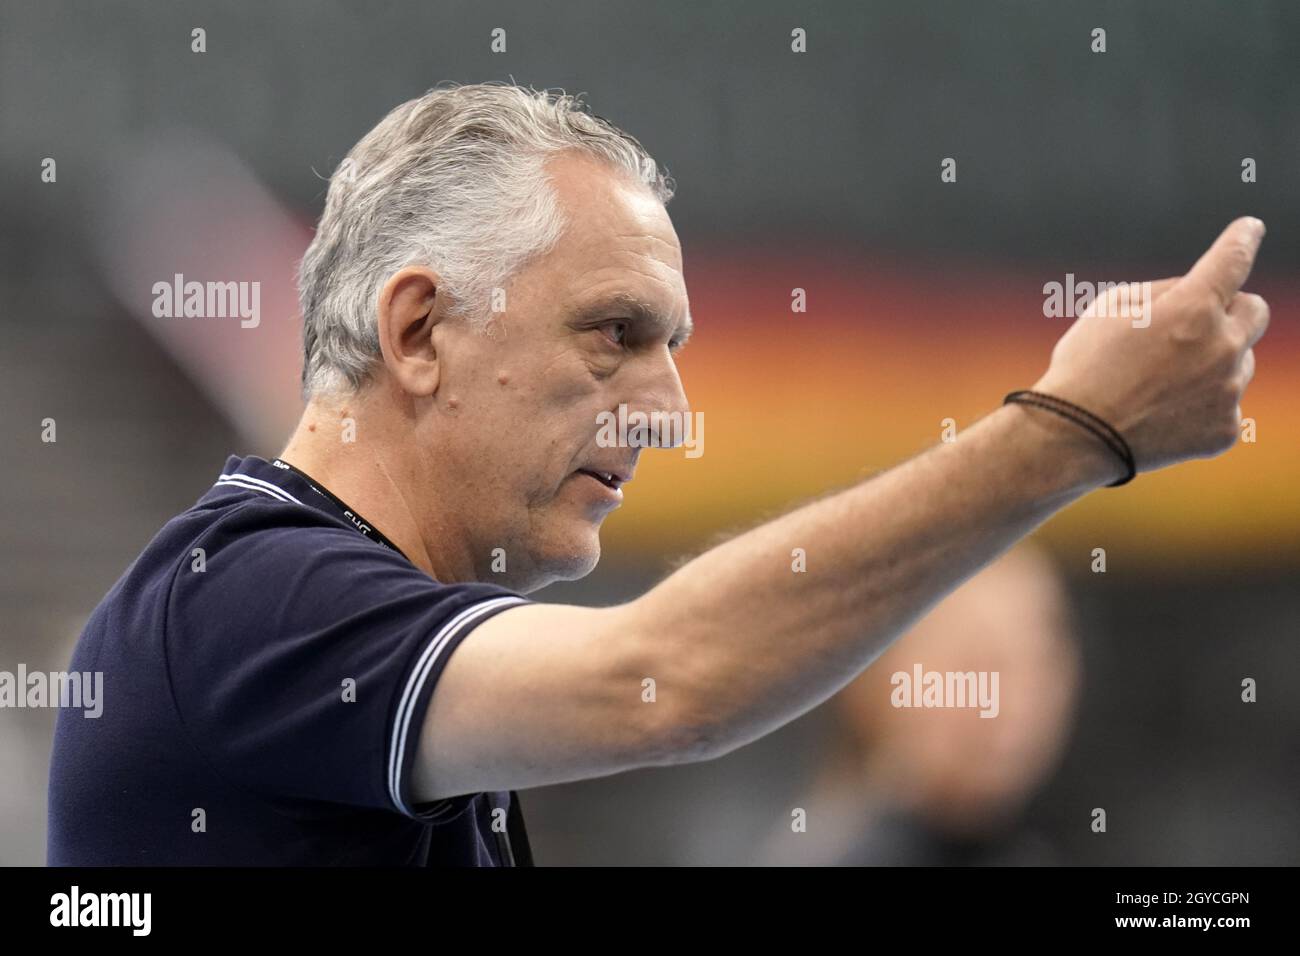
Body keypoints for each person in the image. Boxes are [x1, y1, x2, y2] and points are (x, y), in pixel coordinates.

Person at [48, 82, 1270, 865]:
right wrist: (1074, 427)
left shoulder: (342, 629)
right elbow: (664, 676)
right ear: (417, 333)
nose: (671, 409)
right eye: (615, 334)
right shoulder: (245, 595)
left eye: (671, 347)